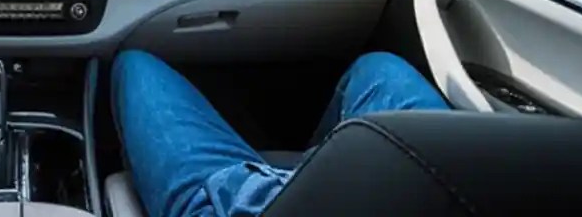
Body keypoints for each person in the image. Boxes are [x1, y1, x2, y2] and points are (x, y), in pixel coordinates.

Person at [112, 50, 449, 217]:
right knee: (381, 69)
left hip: (247, 205)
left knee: (136, 64)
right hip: (418, 198)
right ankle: (310, 169)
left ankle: (297, 178)